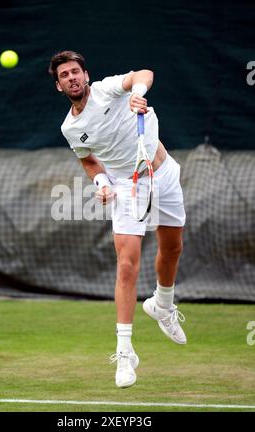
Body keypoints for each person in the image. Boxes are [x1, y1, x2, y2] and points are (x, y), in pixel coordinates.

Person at [49, 50, 187, 388]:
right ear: (59, 86)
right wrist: (101, 182)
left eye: (76, 71)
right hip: (127, 186)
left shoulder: (108, 89)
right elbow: (89, 161)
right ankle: (125, 353)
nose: (72, 77)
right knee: (127, 265)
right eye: (65, 75)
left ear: (85, 74)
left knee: (172, 249)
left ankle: (162, 304)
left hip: (163, 173)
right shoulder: (70, 128)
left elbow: (145, 71)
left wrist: (137, 95)